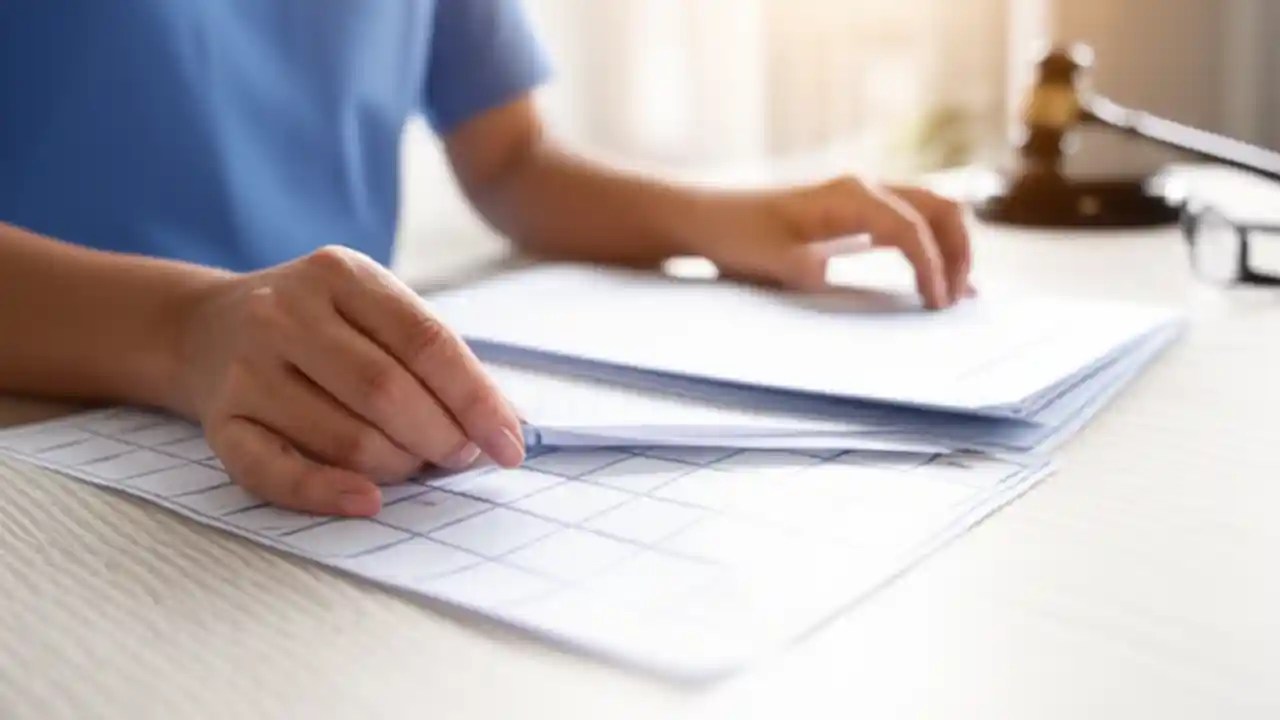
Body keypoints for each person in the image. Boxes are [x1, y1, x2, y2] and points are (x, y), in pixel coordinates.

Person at [0, 2, 972, 518]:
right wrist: (185, 330)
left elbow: (509, 157)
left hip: (345, 420)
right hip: (45, 444)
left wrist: (718, 218)